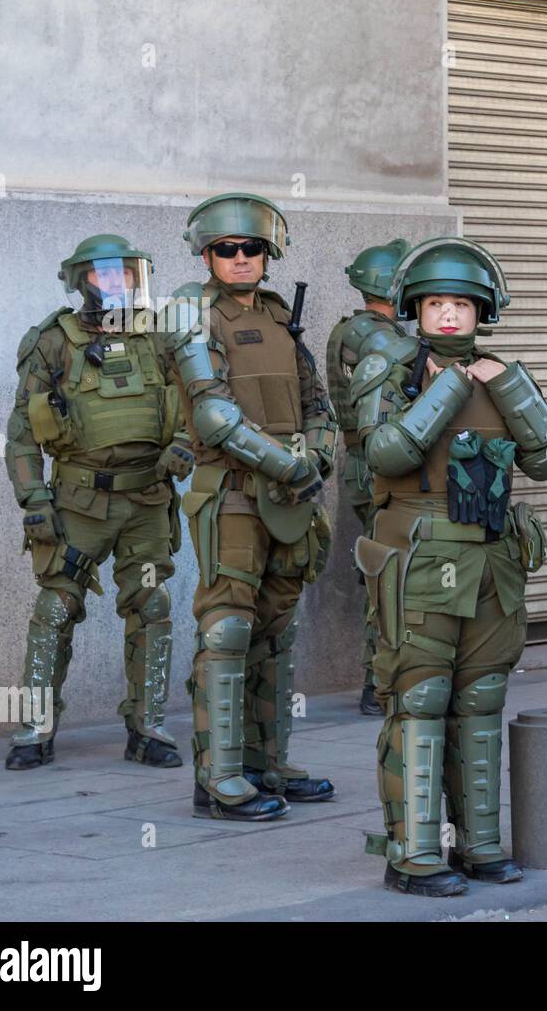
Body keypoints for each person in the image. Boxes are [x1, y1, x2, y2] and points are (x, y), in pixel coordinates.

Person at [350, 236, 547, 895]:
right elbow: (383, 455)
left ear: (484, 310)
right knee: (419, 698)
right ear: (415, 307)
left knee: (481, 699)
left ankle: (481, 844)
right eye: (436, 303)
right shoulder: (389, 370)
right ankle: (414, 853)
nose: (448, 316)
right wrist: (443, 394)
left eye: (461, 305)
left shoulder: (502, 378)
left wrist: (511, 386)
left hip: (493, 564)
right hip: (420, 561)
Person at [163, 192, 338, 821]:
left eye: (252, 248)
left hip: (291, 495)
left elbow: (318, 404)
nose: (241, 258)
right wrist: (286, 463)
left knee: (275, 629)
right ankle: (219, 776)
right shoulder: (188, 310)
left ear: (269, 254)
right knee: (228, 628)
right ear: (207, 254)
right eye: (227, 249)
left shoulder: (278, 315)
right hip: (233, 492)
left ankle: (269, 763)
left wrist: (316, 454)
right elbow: (212, 415)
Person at [4, 234, 193, 770]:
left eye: (127, 275)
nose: (118, 285)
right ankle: (35, 729)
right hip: (77, 503)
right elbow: (21, 433)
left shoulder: (159, 338)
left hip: (148, 500)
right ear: (82, 281)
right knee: (55, 608)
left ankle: (148, 726)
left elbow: (199, 403)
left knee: (152, 607)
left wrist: (183, 446)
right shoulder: (52, 342)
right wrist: (33, 500)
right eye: (106, 276)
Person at [325, 240, 411, 715]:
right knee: (388, 576)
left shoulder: (364, 328)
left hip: (372, 464)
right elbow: (422, 365)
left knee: (389, 573)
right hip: (375, 468)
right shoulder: (368, 331)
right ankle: (378, 683)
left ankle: (384, 678)